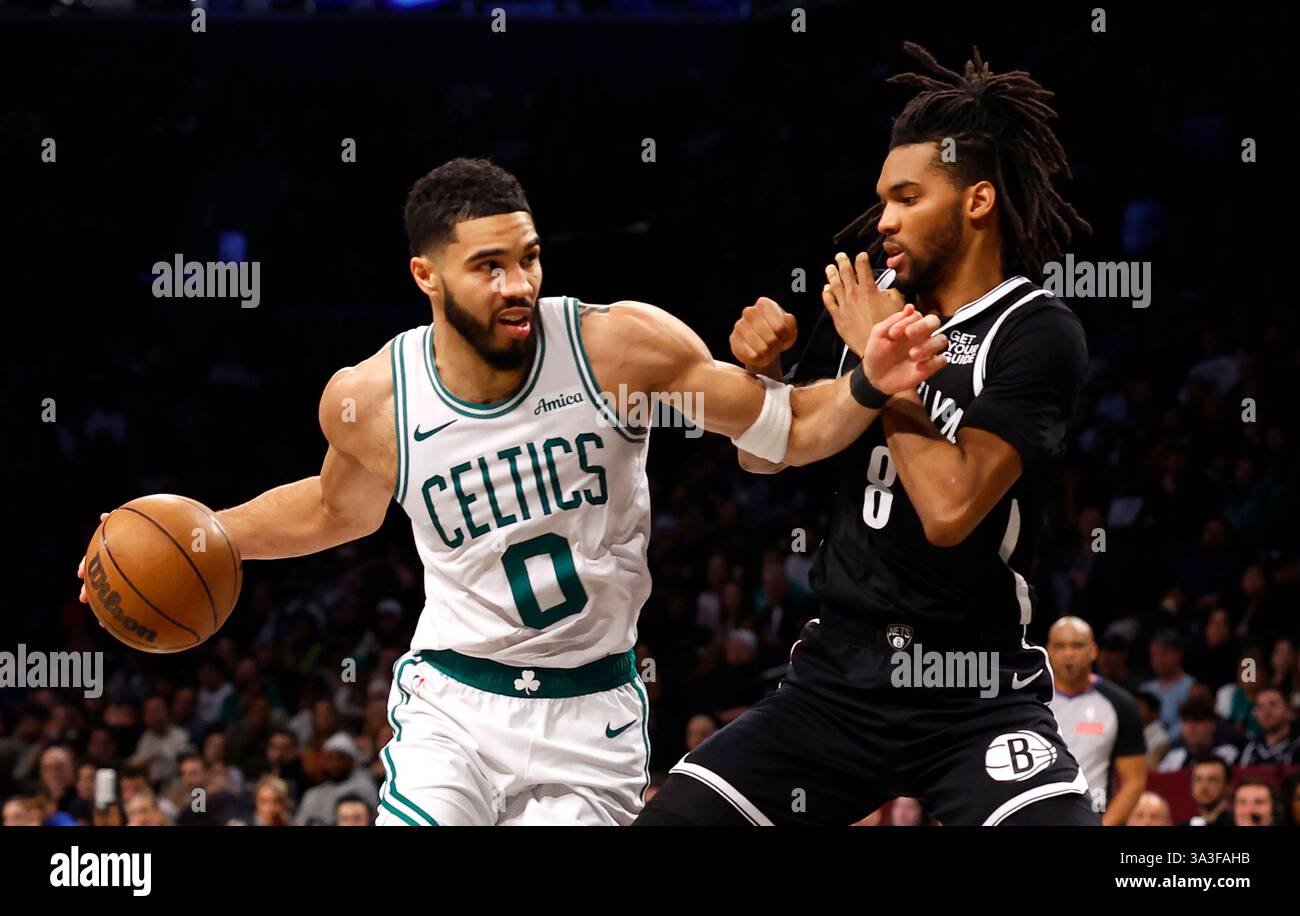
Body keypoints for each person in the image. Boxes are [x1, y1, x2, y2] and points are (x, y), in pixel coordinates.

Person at [78, 158, 944, 827]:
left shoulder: (619, 351)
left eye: (527, 258)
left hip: (592, 710)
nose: (518, 284)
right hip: (455, 701)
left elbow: (786, 432)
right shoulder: (375, 398)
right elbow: (333, 508)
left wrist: (866, 383)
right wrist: (191, 537)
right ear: (426, 277)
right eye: (488, 266)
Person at [637, 42, 1096, 826]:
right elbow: (765, 454)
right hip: (838, 678)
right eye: (883, 198)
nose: (883, 220)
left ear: (977, 201)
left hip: (974, 687)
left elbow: (952, 512)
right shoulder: (872, 304)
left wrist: (890, 375)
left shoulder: (1036, 330)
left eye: (908, 197)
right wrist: (770, 381)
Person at [1047, 617, 1146, 824]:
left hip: (1092, 814)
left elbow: (1134, 781)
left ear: (1093, 650)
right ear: (1048, 651)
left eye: (1077, 645)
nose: (1069, 654)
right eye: (1060, 646)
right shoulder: (1031, 702)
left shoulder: (1120, 704)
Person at [294, 731, 379, 826]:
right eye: (329, 758)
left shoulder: (364, 787)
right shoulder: (312, 794)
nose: (334, 764)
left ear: (350, 761)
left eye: (339, 758)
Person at [1139, 631, 1196, 736]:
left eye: (1165, 652)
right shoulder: (1145, 689)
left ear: (1179, 653)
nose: (1160, 659)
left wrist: (1165, 741)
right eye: (1155, 653)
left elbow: (1189, 723)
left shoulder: (1192, 687)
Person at [1180, 756, 1233, 827]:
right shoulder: (1186, 824)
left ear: (1227, 786)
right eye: (1198, 779)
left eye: (1212, 779)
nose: (1204, 786)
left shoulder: (1239, 822)